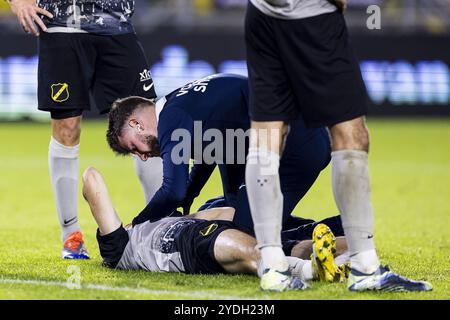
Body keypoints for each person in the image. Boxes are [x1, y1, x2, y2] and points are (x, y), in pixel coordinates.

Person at [243, 0, 432, 291]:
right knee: (351, 134)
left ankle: (271, 266)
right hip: (313, 15)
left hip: (262, 14)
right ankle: (365, 266)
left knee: (267, 135)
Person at [6, 0, 158, 259]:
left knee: (146, 125)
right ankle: (71, 234)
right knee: (67, 127)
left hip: (117, 22)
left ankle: (160, 223)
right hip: (61, 23)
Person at [105, 74, 331, 236]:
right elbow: (211, 150)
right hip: (285, 138)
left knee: (244, 232)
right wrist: (190, 195)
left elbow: (173, 190)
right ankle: (320, 231)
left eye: (134, 148)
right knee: (229, 211)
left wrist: (137, 225)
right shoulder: (177, 104)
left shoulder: (171, 119)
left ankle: (338, 232)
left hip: (296, 145)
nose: (143, 157)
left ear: (137, 124)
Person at [82, 166, 349, 285]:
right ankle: (312, 269)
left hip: (202, 237)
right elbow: (91, 179)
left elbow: (219, 212)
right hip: (184, 245)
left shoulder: (166, 220)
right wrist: (133, 223)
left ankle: (348, 254)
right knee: (252, 252)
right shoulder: (118, 249)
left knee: (281, 245)